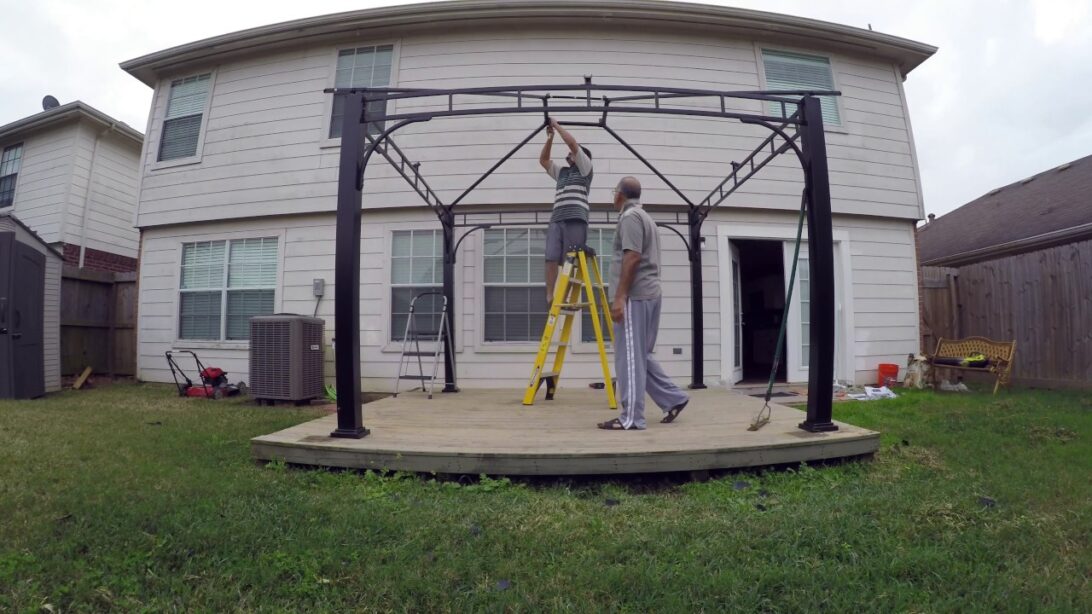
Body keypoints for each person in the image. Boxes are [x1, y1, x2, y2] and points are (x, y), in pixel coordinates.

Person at [598, 176, 689, 430]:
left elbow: (633, 256)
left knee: (629, 358)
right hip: (648, 294)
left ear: (620, 195)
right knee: (640, 356)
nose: (612, 196)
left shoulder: (630, 218)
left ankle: (631, 418)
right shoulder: (645, 217)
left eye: (613, 191)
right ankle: (674, 398)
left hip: (635, 297)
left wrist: (619, 296)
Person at [539, 117, 593, 303]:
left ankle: (566, 295)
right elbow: (544, 160)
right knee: (551, 256)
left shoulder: (585, 169)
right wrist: (550, 137)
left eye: (571, 154)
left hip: (576, 218)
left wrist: (555, 124)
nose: (568, 155)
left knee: (572, 258)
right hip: (557, 218)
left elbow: (571, 142)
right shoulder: (562, 172)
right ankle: (550, 295)